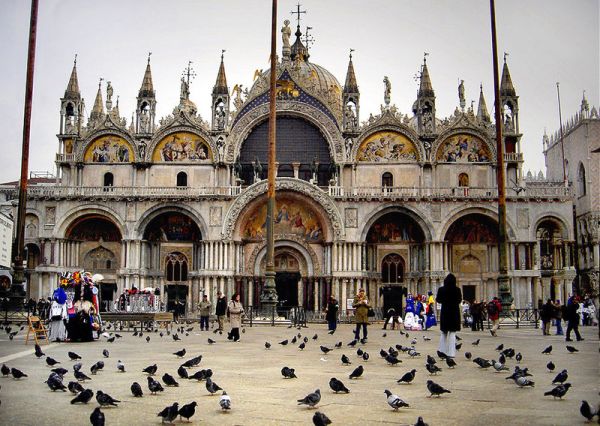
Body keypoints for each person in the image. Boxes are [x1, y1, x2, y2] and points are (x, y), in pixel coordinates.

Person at [436, 273, 462, 357]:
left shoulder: (441, 289)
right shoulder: (457, 290)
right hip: (454, 312)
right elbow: (459, 300)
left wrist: (445, 301)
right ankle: (451, 353)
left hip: (445, 312)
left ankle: (442, 351)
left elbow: (438, 300)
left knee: (444, 332)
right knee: (452, 333)